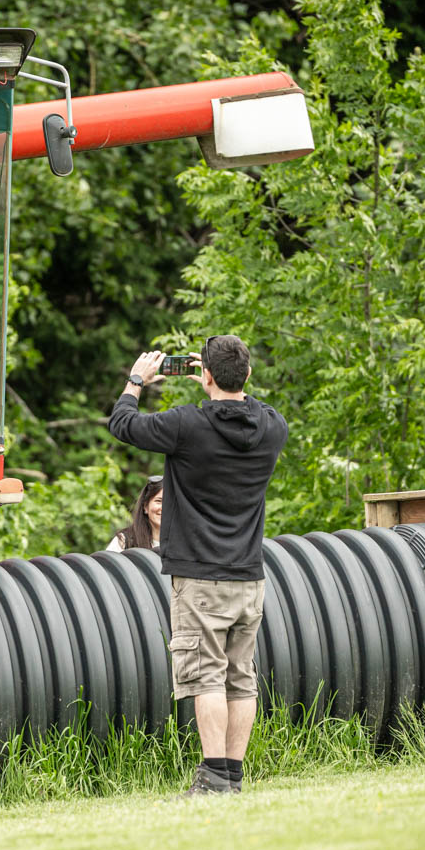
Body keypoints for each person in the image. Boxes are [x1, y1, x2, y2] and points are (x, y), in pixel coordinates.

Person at [108, 335, 287, 796]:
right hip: (250, 576)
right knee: (240, 678)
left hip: (199, 578)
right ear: (246, 375)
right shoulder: (272, 426)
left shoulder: (186, 425)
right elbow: (246, 403)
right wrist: (216, 375)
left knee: (205, 676)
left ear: (204, 376)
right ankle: (233, 775)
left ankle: (212, 777)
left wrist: (136, 380)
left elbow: (123, 424)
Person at [105, 476, 164, 552]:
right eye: (159, 501)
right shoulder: (124, 541)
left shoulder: (183, 543)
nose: (165, 508)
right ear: (146, 506)